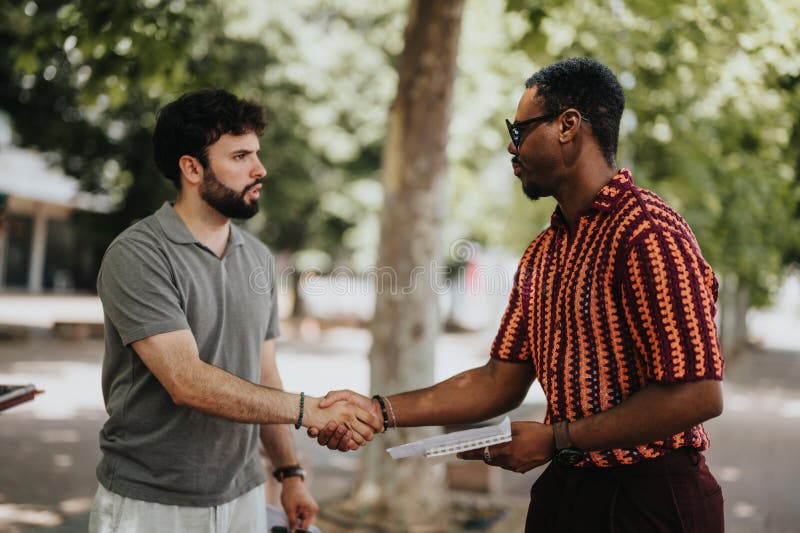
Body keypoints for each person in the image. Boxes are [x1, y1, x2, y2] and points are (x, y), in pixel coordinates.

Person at [312, 58, 725, 532]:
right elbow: (497, 381)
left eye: (521, 128)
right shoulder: (543, 252)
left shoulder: (647, 233)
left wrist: (556, 439)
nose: (512, 145)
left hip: (650, 500)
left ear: (569, 126)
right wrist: (378, 410)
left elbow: (698, 393)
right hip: (568, 492)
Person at [88, 89, 382, 533]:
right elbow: (186, 381)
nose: (259, 169)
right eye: (240, 155)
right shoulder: (139, 254)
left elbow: (264, 376)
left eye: (256, 154)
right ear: (191, 167)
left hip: (244, 495)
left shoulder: (259, 258)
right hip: (151, 503)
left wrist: (289, 474)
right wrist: (309, 410)